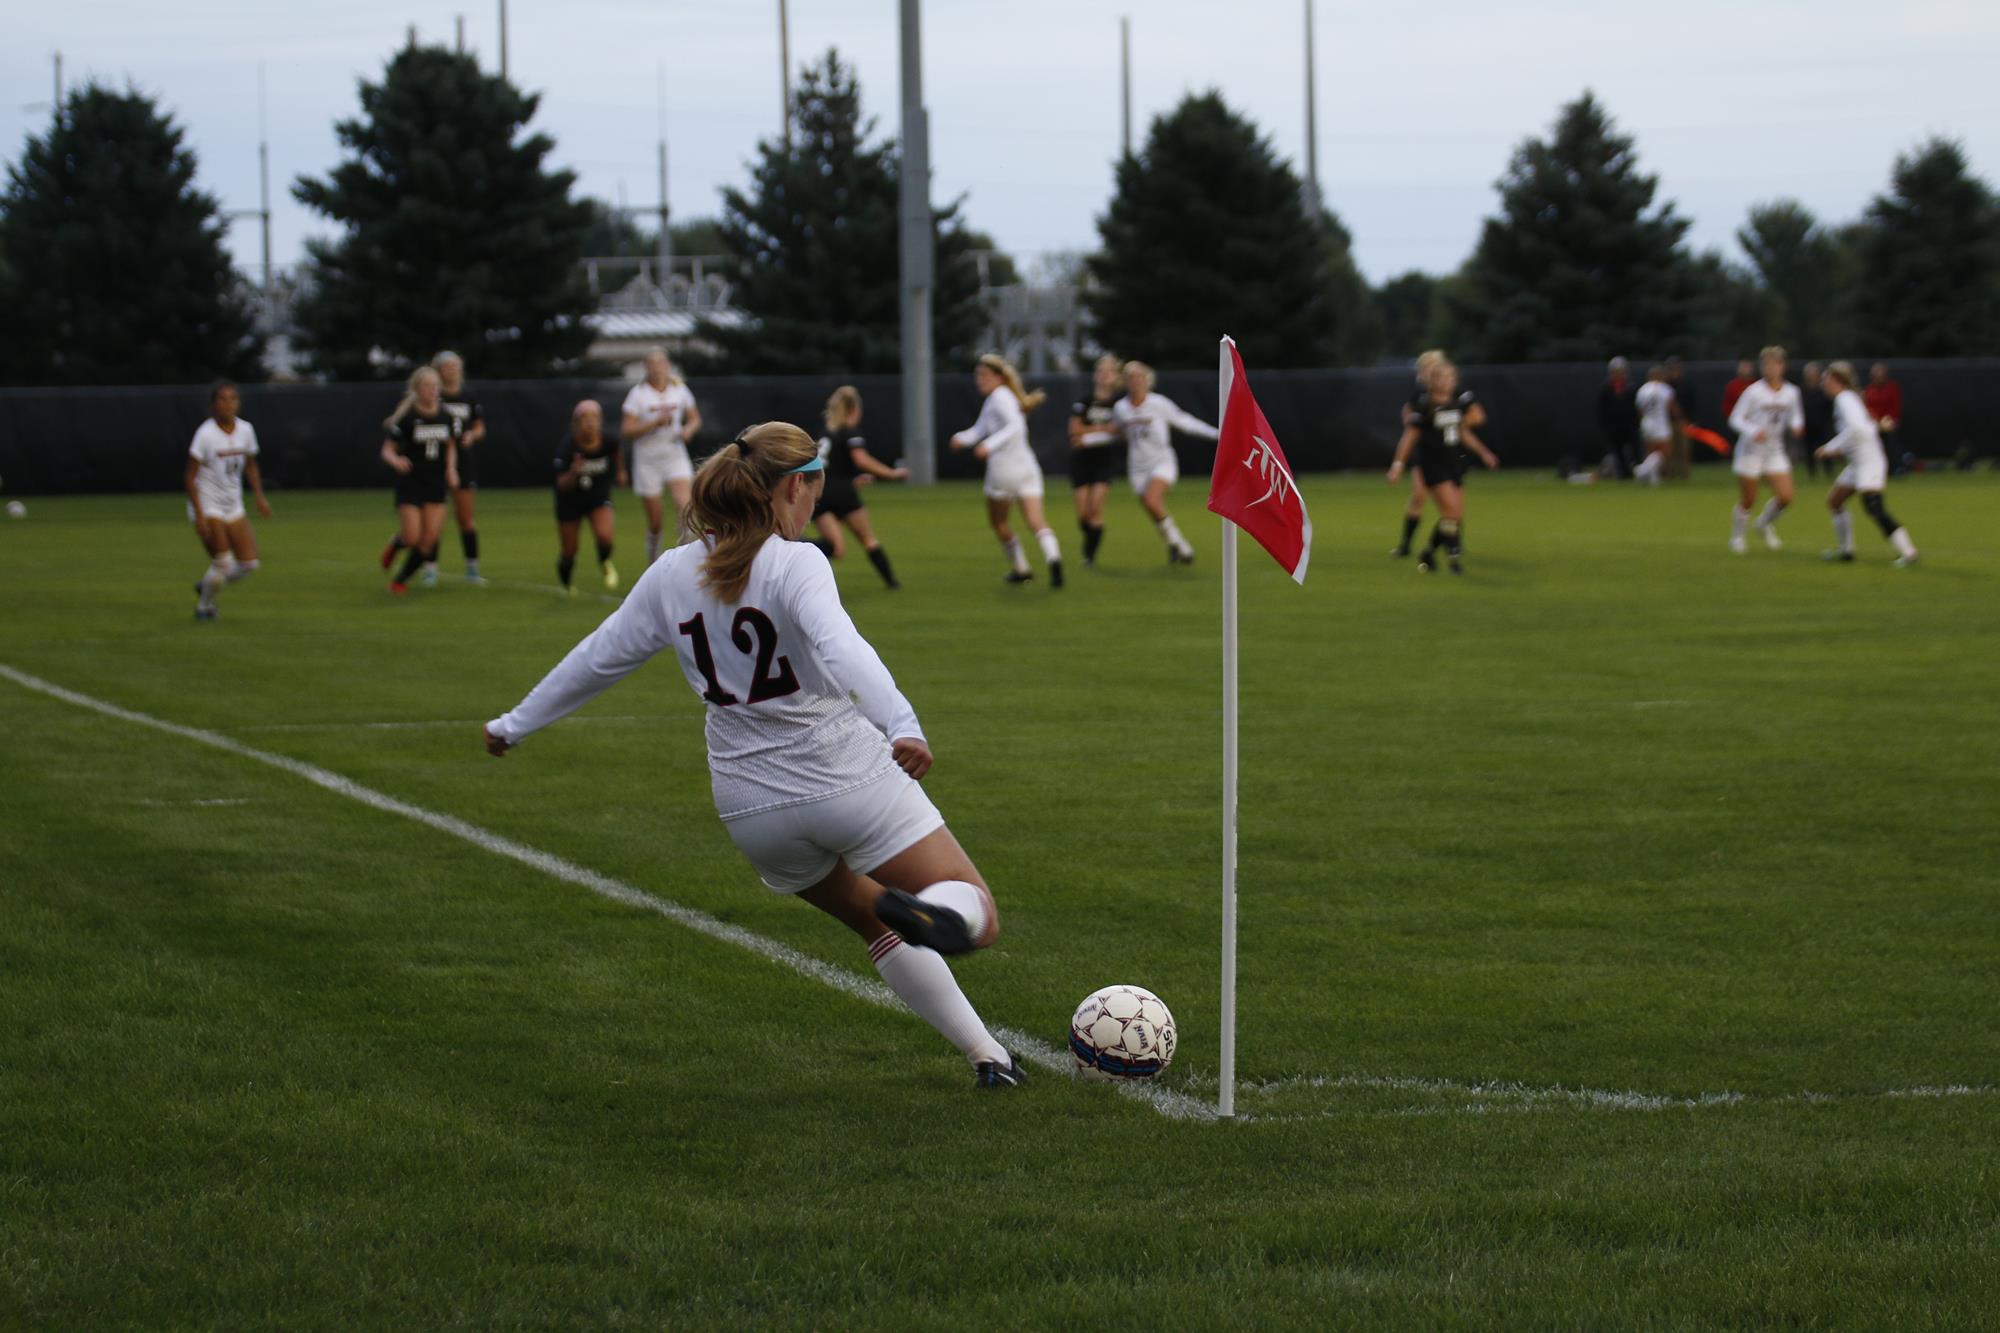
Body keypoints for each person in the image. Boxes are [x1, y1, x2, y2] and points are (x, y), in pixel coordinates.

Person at [484, 422, 1025, 1089]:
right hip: (843, 775)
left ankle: (988, 1057)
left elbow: (597, 659)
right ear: (794, 487)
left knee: (870, 919)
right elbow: (843, 648)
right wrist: (901, 722)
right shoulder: (795, 561)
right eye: (813, 492)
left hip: (751, 808)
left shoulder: (671, 572)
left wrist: (514, 722)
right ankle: (941, 911)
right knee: (977, 910)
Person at [949, 353, 1064, 588]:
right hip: (1027, 467)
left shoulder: (999, 397)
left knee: (999, 523)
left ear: (998, 377)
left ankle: (1022, 569)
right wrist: (962, 438)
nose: (979, 380)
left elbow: (1015, 426)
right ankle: (1054, 560)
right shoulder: (1003, 397)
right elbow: (980, 429)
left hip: (1004, 469)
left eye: (984, 375)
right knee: (1036, 521)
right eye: (977, 376)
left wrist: (988, 445)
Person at [1386, 357, 1498, 573]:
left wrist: (1484, 453)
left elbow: (1463, 433)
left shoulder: (1455, 404)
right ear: (1432, 381)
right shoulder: (1424, 405)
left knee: (1454, 514)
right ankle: (1453, 558)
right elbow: (1409, 437)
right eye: (1442, 378)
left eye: (1450, 377)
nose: (1447, 382)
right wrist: (1397, 466)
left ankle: (1428, 552)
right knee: (1451, 512)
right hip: (1433, 464)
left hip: (1454, 462)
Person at [1113, 359, 1219, 566]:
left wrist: (1218, 434)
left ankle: (1183, 547)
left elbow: (1185, 421)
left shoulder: (1158, 403)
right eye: (1131, 377)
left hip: (1162, 462)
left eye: (1139, 377)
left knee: (1153, 500)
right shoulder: (1120, 408)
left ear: (1148, 380)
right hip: (1137, 467)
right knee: (1153, 509)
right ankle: (1173, 544)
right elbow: (1118, 432)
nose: (1135, 381)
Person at [184, 380, 272, 621]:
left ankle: (208, 584)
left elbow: (251, 466)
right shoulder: (205, 434)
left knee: (249, 564)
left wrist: (259, 497)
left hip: (233, 502)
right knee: (222, 563)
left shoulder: (246, 430)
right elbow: (190, 477)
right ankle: (204, 607)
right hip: (208, 502)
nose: (228, 404)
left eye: (233, 399)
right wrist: (199, 515)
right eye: (222, 399)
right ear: (213, 405)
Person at [1816, 361, 1919, 566]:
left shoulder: (1844, 399)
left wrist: (1830, 448)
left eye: (1825, 380)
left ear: (1836, 381)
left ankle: (1909, 553)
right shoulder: (1849, 398)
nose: (1823, 384)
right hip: (1857, 463)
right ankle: (1846, 552)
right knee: (1835, 502)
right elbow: (1864, 426)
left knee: (1874, 508)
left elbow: (1856, 429)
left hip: (1869, 461)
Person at [810, 386, 907, 590]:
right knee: (868, 539)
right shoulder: (849, 431)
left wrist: (851, 478)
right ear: (854, 409)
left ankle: (795, 548)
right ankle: (892, 584)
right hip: (843, 495)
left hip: (819, 494)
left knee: (836, 548)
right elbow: (860, 459)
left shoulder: (825, 432)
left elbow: (831, 465)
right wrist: (891, 473)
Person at [378, 365, 461, 594]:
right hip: (412, 482)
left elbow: (451, 445)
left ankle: (400, 579)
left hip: (435, 483)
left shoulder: (447, 416)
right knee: (412, 537)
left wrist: (452, 469)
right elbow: (386, 450)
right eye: (427, 386)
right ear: (417, 389)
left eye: (435, 386)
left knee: (429, 540)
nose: (432, 390)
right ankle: (397, 543)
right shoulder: (408, 418)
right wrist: (396, 460)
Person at [620, 347, 703, 566]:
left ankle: (685, 562)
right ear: (647, 368)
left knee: (686, 508)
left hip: (674, 454)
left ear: (668, 366)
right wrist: (653, 423)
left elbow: (694, 418)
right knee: (656, 520)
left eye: (661, 364)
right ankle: (653, 564)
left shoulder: (679, 389)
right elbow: (626, 430)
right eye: (652, 364)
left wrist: (688, 430)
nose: (657, 369)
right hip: (648, 460)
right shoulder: (638, 394)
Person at [1726, 345, 1804, 553]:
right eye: (1766, 365)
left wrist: (1796, 426)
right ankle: (1737, 537)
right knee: (1749, 498)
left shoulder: (1791, 392)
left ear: (1782, 366)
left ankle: (1763, 524)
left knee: (1786, 496)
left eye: (1774, 364)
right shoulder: (1753, 392)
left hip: (1774, 450)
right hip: (1750, 450)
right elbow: (1735, 418)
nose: (1770, 369)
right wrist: (1752, 431)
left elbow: (1796, 415)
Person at [552, 399, 621, 594]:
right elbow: (561, 484)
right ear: (576, 423)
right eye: (584, 418)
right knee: (569, 550)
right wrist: (574, 472)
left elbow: (617, 455)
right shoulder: (568, 447)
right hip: (569, 501)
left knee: (605, 537)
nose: (590, 422)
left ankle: (604, 561)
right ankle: (566, 586)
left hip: (597, 497)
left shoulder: (609, 441)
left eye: (594, 417)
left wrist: (621, 473)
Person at [1067, 354, 1126, 566]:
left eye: (1108, 372)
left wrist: (1089, 433)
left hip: (1105, 461)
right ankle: (1089, 542)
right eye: (1100, 371)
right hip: (1081, 461)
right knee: (1083, 515)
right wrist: (1102, 429)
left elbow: (1120, 431)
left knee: (1095, 509)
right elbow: (1075, 431)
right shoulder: (1084, 401)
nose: (1103, 376)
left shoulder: (1120, 404)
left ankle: (1090, 556)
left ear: (1116, 377)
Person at [434, 350, 487, 584]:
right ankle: (430, 567)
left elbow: (479, 427)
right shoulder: (433, 396)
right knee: (433, 521)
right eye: (447, 367)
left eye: (455, 366)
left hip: (463, 462)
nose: (451, 371)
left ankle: (472, 568)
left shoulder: (468, 397)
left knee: (465, 517)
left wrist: (472, 436)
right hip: (435, 462)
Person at [1392, 349, 1448, 554]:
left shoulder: (1451, 393)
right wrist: (1397, 465)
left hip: (1448, 455)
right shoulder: (1421, 396)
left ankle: (1452, 545)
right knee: (1418, 495)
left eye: (1428, 367)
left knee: (1450, 504)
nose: (1424, 372)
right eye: (1423, 368)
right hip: (1424, 453)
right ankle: (1406, 545)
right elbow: (1409, 419)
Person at [1632, 365, 1680, 485]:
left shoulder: (1642, 389)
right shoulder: (1665, 389)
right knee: (1665, 452)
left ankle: (1654, 478)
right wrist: (1679, 418)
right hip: (1661, 423)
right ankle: (1642, 470)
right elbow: (1671, 406)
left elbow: (1639, 409)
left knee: (1651, 451)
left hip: (1647, 422)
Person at [1595, 356, 1640, 481]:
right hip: (1613, 427)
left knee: (1635, 449)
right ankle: (1623, 474)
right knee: (1617, 451)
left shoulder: (1631, 387)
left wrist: (1636, 422)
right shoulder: (1606, 388)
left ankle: (1639, 471)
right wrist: (1605, 425)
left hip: (1630, 425)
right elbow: (1601, 409)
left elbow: (1637, 407)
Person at [1864, 363, 1905, 475]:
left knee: (1892, 446)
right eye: (1876, 374)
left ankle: (1895, 469)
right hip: (1875, 424)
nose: (1879, 376)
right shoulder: (1869, 390)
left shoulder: (1892, 388)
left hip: (1889, 423)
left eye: (1881, 374)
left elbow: (1896, 405)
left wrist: (1893, 420)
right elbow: (1867, 407)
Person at [1665, 357, 1696, 480]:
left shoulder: (1685, 385)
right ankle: (1670, 473)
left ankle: (1684, 474)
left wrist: (1689, 419)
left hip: (1683, 421)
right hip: (1667, 422)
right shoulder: (1665, 386)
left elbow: (1692, 403)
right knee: (1670, 450)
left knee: (1683, 449)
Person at [1800, 361, 1832, 479]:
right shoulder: (1802, 390)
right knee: (1809, 451)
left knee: (1826, 449)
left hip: (1822, 425)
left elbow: (1829, 407)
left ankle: (1829, 471)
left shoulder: (1823, 390)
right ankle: (1812, 473)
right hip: (1808, 425)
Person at [1721, 359, 1756, 433]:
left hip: (1754, 425)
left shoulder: (1756, 385)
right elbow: (1727, 408)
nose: (1746, 369)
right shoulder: (1732, 386)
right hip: (1737, 426)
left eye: (1748, 366)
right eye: (1743, 366)